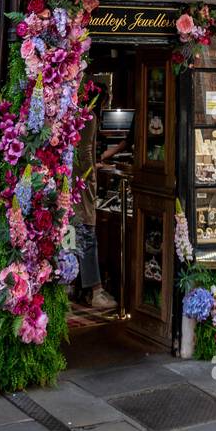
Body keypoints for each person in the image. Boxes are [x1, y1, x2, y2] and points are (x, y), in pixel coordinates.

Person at [73, 81, 117, 311]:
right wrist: (91, 173)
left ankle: (75, 287)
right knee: (86, 236)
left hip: (75, 187)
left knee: (75, 237)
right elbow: (85, 154)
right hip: (81, 189)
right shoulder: (88, 118)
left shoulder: (78, 116)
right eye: (106, 99)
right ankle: (95, 291)